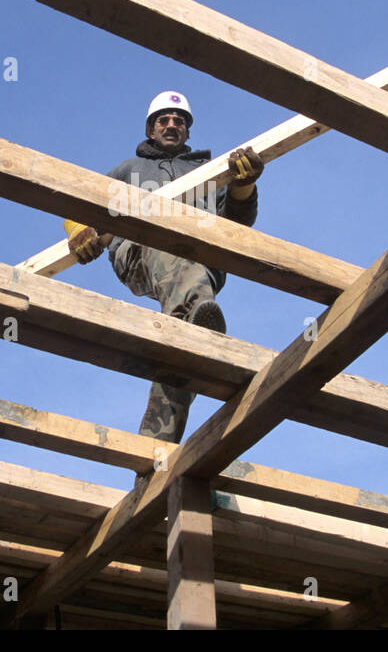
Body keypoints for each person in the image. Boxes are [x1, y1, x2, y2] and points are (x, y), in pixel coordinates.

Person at [62, 91, 264, 444]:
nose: (172, 125)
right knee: (169, 242)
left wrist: (244, 186)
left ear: (187, 131)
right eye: (164, 120)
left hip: (200, 264)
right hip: (142, 251)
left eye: (180, 121)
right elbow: (82, 199)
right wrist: (77, 229)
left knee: (184, 345)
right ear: (151, 130)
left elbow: (237, 223)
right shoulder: (129, 170)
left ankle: (155, 442)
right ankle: (197, 317)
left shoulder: (209, 173)